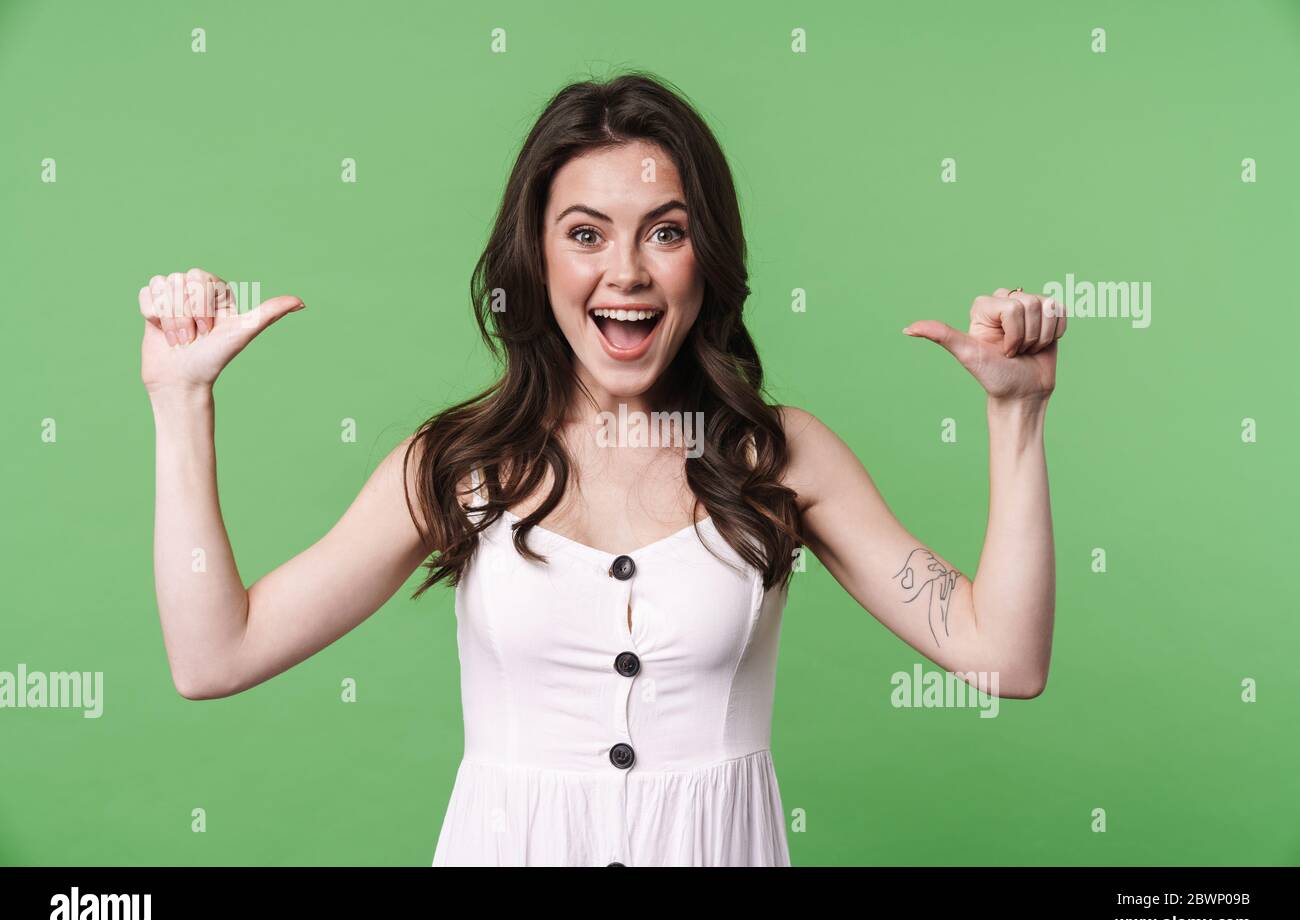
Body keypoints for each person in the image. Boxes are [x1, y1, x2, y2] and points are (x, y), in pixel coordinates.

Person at [139, 72, 1062, 867]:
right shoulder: (460, 465)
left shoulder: (775, 455)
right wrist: (179, 401)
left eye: (665, 231)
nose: (625, 271)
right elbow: (215, 654)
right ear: (536, 259)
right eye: (585, 234)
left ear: (709, 257)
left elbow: (1004, 656)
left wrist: (1016, 415)